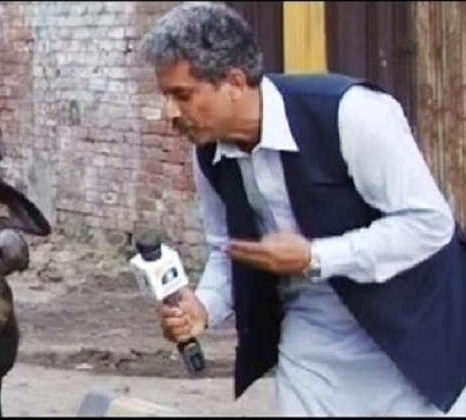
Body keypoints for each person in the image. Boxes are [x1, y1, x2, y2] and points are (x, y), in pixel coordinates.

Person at [138, 1, 466, 416]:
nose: (169, 113)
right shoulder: (209, 156)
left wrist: (316, 256)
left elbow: (429, 225)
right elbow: (230, 252)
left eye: (182, 95)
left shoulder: (352, 113)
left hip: (416, 329)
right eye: (165, 96)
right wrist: (203, 307)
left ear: (234, 82)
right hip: (313, 342)